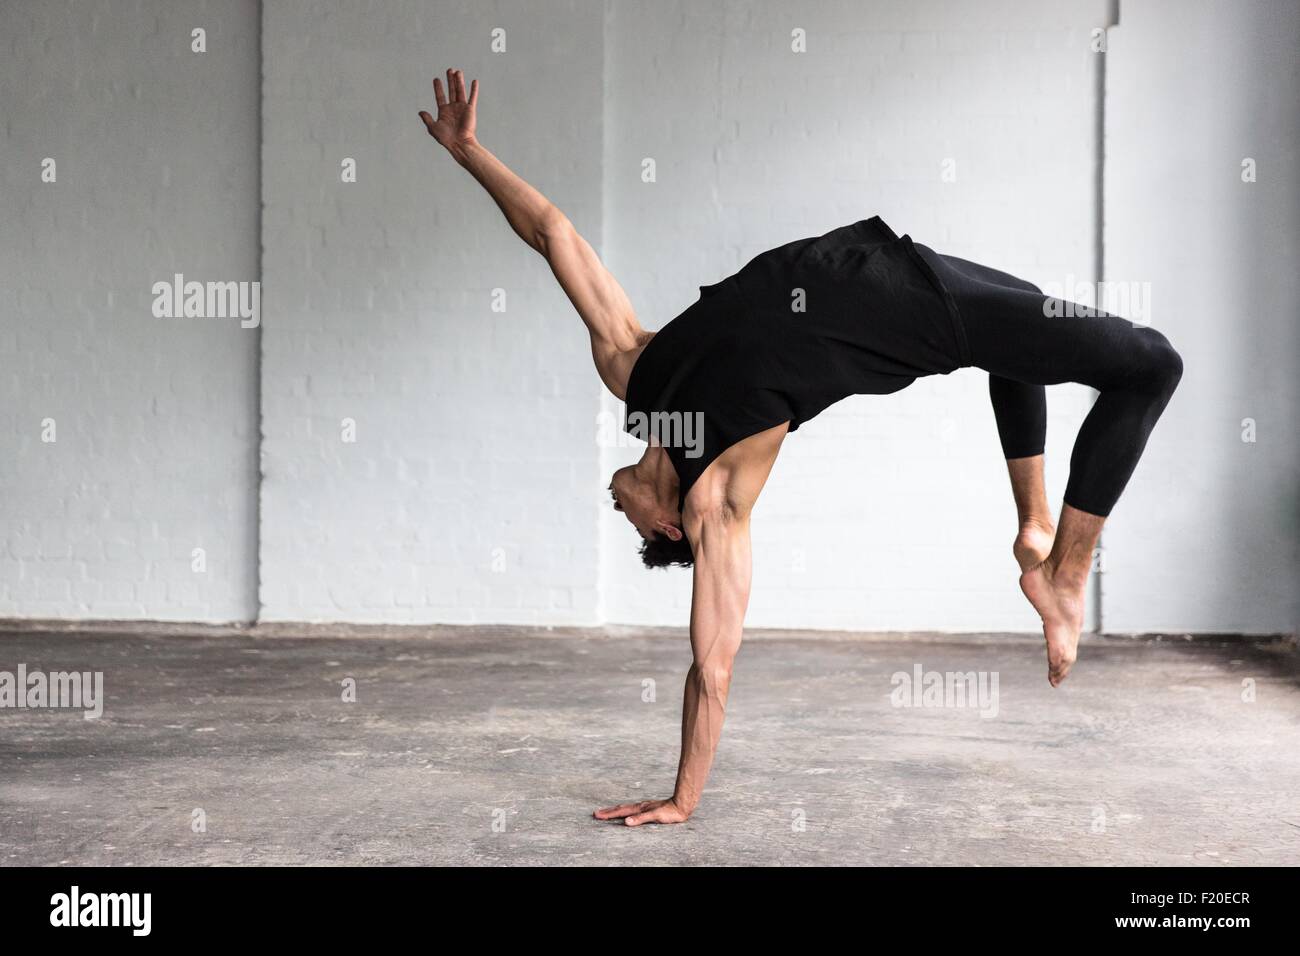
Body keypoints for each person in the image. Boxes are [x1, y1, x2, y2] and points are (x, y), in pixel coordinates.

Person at [420, 69, 1183, 827]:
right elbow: (712, 668)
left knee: (1026, 347)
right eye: (624, 522)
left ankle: (1035, 529)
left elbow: (554, 233)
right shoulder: (716, 496)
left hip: (884, 262)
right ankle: (1065, 578)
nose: (611, 500)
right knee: (1151, 363)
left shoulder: (636, 372)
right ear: (666, 528)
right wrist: (684, 797)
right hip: (905, 313)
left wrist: (469, 153)